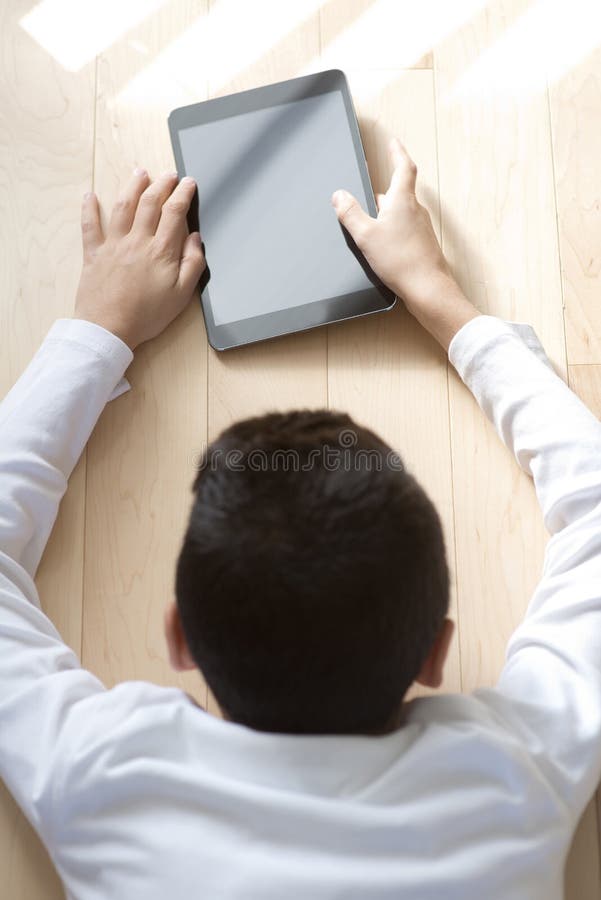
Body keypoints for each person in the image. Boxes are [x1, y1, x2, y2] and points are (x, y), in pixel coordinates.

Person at [0, 137, 599, 900]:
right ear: (436, 652)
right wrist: (436, 294)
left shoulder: (103, 780)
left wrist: (101, 325)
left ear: (178, 636)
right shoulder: (514, 780)